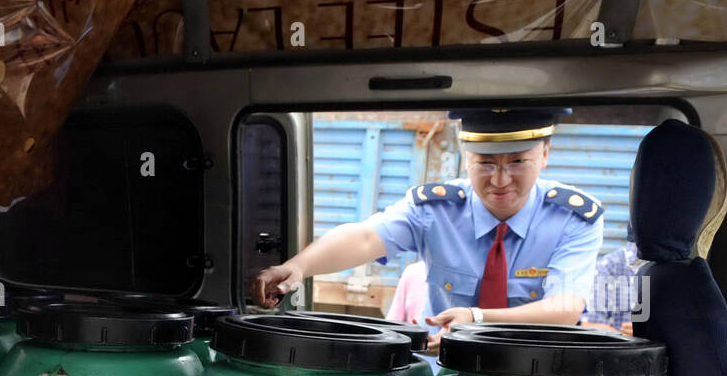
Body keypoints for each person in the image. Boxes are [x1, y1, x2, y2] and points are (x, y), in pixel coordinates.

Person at [254, 108, 605, 350]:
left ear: (545, 154)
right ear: (465, 157)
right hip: (447, 374)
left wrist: (475, 319)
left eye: (517, 161)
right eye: (484, 163)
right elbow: (364, 237)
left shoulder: (572, 218)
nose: (500, 180)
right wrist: (298, 267)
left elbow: (564, 307)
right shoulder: (435, 209)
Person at [582, 222, 641, 335]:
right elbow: (589, 325)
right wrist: (625, 337)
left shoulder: (678, 267)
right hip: (624, 350)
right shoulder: (610, 266)